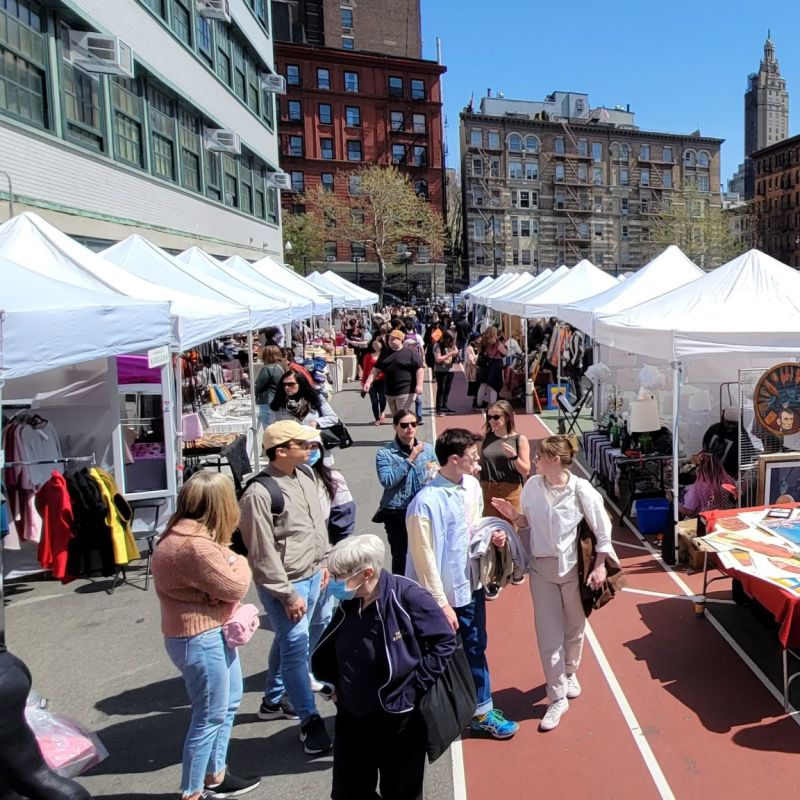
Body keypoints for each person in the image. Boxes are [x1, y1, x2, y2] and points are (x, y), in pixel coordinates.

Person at [311, 534, 456, 800]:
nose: (333, 581)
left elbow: (444, 640)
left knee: (401, 792)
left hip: (398, 720)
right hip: (351, 716)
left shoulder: (408, 596)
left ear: (367, 573)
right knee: (348, 792)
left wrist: (414, 689)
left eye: (339, 574)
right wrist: (331, 684)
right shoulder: (349, 601)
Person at [492, 435, 614, 732]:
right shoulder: (533, 485)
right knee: (549, 637)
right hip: (542, 569)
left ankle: (570, 672)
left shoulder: (581, 490)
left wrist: (599, 566)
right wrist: (514, 517)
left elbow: (603, 531)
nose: (535, 461)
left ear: (555, 461)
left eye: (540, 457)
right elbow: (526, 522)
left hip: (572, 570)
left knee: (574, 629)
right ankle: (556, 696)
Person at [406, 428, 519, 740]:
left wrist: (493, 536)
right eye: (471, 456)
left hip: (470, 585)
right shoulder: (425, 503)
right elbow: (423, 556)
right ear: (454, 459)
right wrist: (440, 603)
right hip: (441, 595)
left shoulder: (470, 485)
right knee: (436, 654)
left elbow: (473, 527)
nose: (477, 461)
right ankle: (428, 711)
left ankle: (482, 710)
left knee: (474, 645)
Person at [152, 471, 259, 800]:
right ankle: (193, 791)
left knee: (227, 705)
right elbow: (236, 583)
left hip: (201, 634)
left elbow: (217, 588)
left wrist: (217, 588)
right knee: (210, 715)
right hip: (202, 639)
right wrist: (237, 561)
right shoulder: (197, 546)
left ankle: (216, 773)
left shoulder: (175, 533)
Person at [238, 421, 332, 755]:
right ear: (280, 451)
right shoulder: (259, 494)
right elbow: (261, 553)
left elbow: (315, 525)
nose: (310, 448)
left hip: (313, 573)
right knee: (295, 645)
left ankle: (272, 700)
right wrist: (286, 593)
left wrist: (323, 562)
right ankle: (309, 720)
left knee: (294, 638)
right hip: (288, 585)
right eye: (302, 444)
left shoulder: (305, 475)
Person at [375, 409, 438, 574]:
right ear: (395, 427)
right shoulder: (385, 454)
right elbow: (387, 481)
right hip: (397, 512)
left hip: (422, 509)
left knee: (425, 552)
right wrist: (410, 459)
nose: (409, 428)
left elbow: (437, 473)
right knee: (400, 555)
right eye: (404, 425)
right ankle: (399, 590)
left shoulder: (428, 449)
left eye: (413, 424)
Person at [364, 329, 424, 416]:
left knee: (401, 416)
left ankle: (408, 428)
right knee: (396, 418)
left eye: (393, 339)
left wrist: (419, 385)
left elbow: (419, 369)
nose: (390, 341)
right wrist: (368, 382)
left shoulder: (411, 353)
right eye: (389, 339)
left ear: (401, 340)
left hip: (405, 390)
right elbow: (376, 369)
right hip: (389, 392)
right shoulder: (385, 353)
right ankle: (400, 429)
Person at [271, 369, 338, 430]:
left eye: (291, 384)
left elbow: (332, 417)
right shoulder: (279, 401)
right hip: (290, 440)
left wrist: (316, 423)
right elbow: (272, 425)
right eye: (284, 385)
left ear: (300, 383)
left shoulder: (314, 398)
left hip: (311, 440)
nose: (286, 387)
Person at [679, 451, 737, 516]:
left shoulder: (698, 487)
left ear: (699, 469)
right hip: (729, 517)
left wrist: (674, 501)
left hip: (707, 522)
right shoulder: (730, 481)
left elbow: (687, 511)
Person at [254, 345, 285, 429]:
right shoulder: (281, 366)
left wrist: (247, 381)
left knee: (268, 427)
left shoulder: (267, 368)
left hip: (268, 400)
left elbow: (258, 385)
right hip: (277, 400)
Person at [476, 327, 507, 408]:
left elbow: (482, 352)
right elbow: (505, 352)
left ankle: (479, 403)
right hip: (496, 364)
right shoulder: (497, 343)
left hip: (486, 364)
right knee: (494, 385)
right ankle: (493, 404)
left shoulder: (484, 341)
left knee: (483, 384)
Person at [433, 330, 460, 415]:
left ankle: (445, 405)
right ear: (445, 338)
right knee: (441, 388)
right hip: (440, 370)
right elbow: (438, 358)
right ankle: (439, 408)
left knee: (448, 388)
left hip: (450, 369)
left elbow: (455, 352)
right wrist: (451, 353)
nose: (451, 342)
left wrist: (456, 352)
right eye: (450, 339)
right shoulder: (437, 345)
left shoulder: (452, 344)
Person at [361, 336, 387, 425]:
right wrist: (364, 381)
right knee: (374, 400)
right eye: (373, 344)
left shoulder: (385, 355)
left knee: (383, 399)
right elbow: (365, 369)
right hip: (371, 381)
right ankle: (376, 419)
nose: (374, 345)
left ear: (381, 344)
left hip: (383, 380)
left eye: (376, 343)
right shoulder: (368, 356)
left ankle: (382, 411)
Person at [464, 332, 481, 410]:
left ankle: (478, 401)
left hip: (477, 369)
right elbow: (471, 360)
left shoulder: (477, 346)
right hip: (472, 370)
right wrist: (479, 356)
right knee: (475, 386)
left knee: (478, 385)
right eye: (479, 337)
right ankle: (475, 403)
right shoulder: (470, 348)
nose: (480, 339)